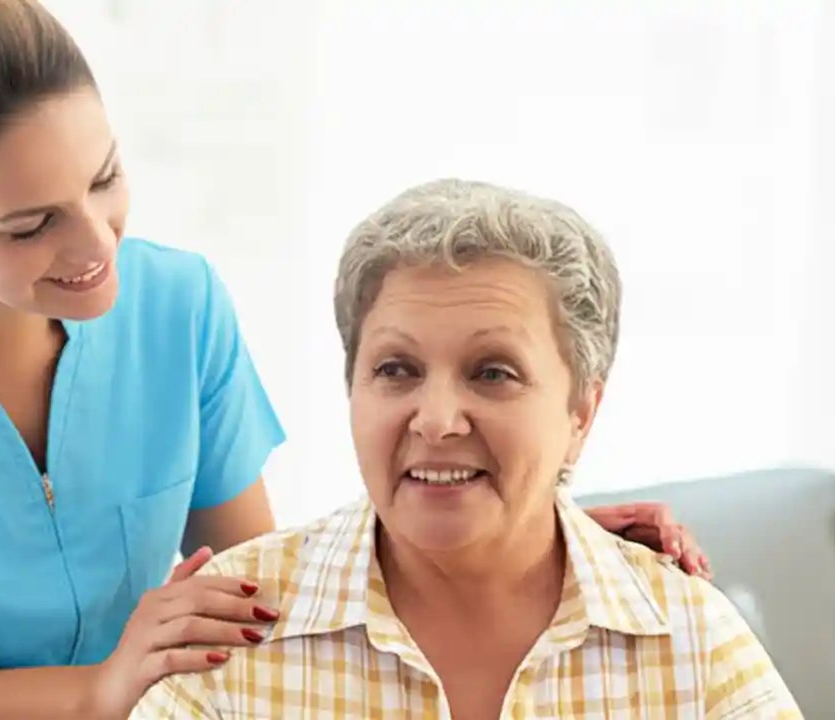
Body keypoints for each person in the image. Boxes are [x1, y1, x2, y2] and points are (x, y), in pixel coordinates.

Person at [0, 2, 709, 718]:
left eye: (104, 179)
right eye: (30, 224)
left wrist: (529, 540)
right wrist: (96, 693)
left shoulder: (179, 306)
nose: (94, 243)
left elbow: (257, 588)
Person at [132, 180, 801, 718]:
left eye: (493, 373)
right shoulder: (228, 636)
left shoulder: (689, 640)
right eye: (396, 370)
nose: (438, 420)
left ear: (581, 412)